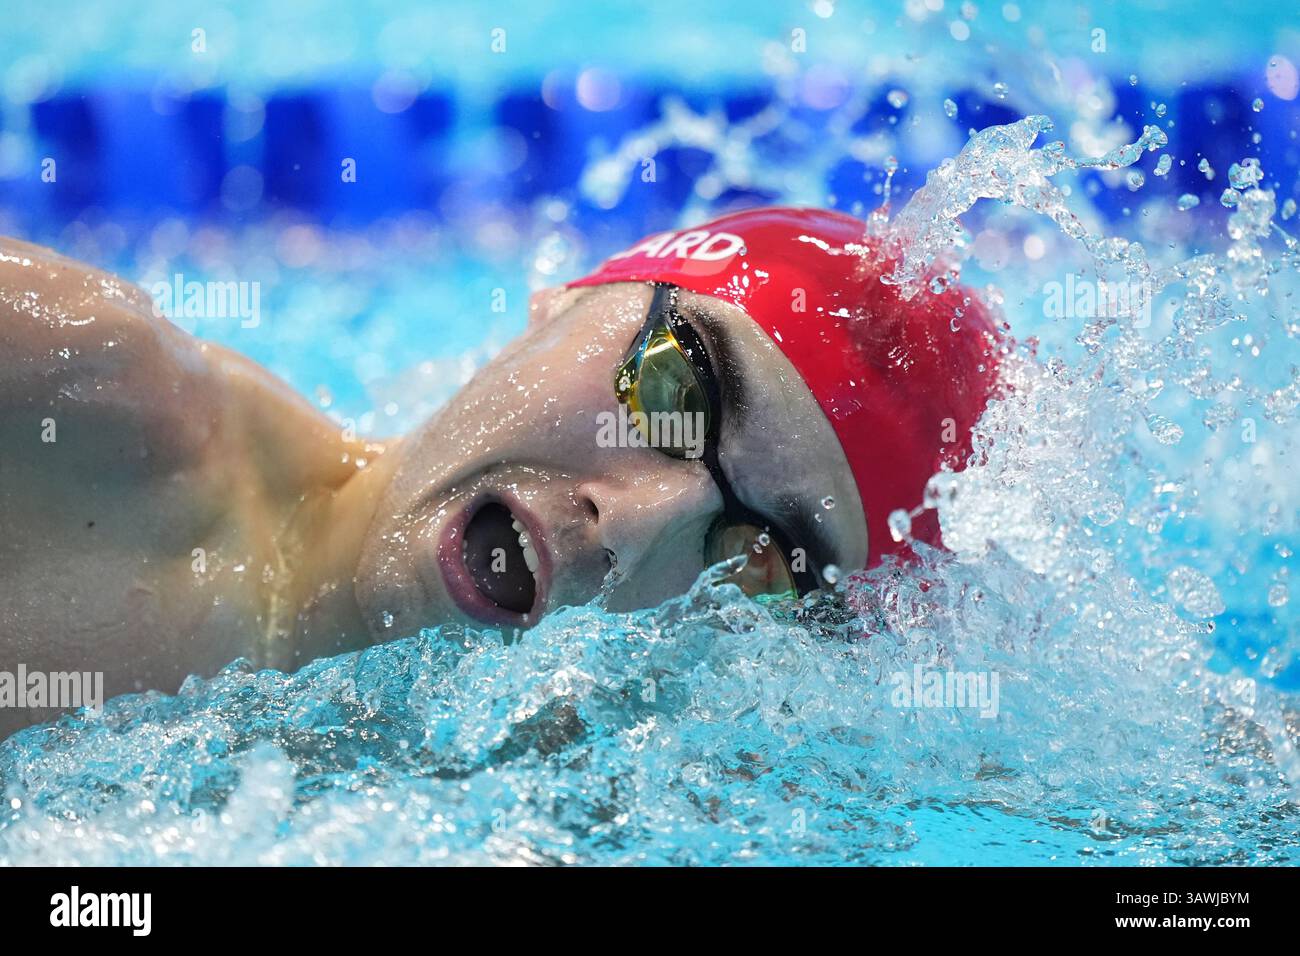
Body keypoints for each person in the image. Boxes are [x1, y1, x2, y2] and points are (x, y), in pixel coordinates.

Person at [0, 207, 999, 736]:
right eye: (677, 387)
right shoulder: (79, 397)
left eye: (759, 558)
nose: (641, 523)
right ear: (557, 300)